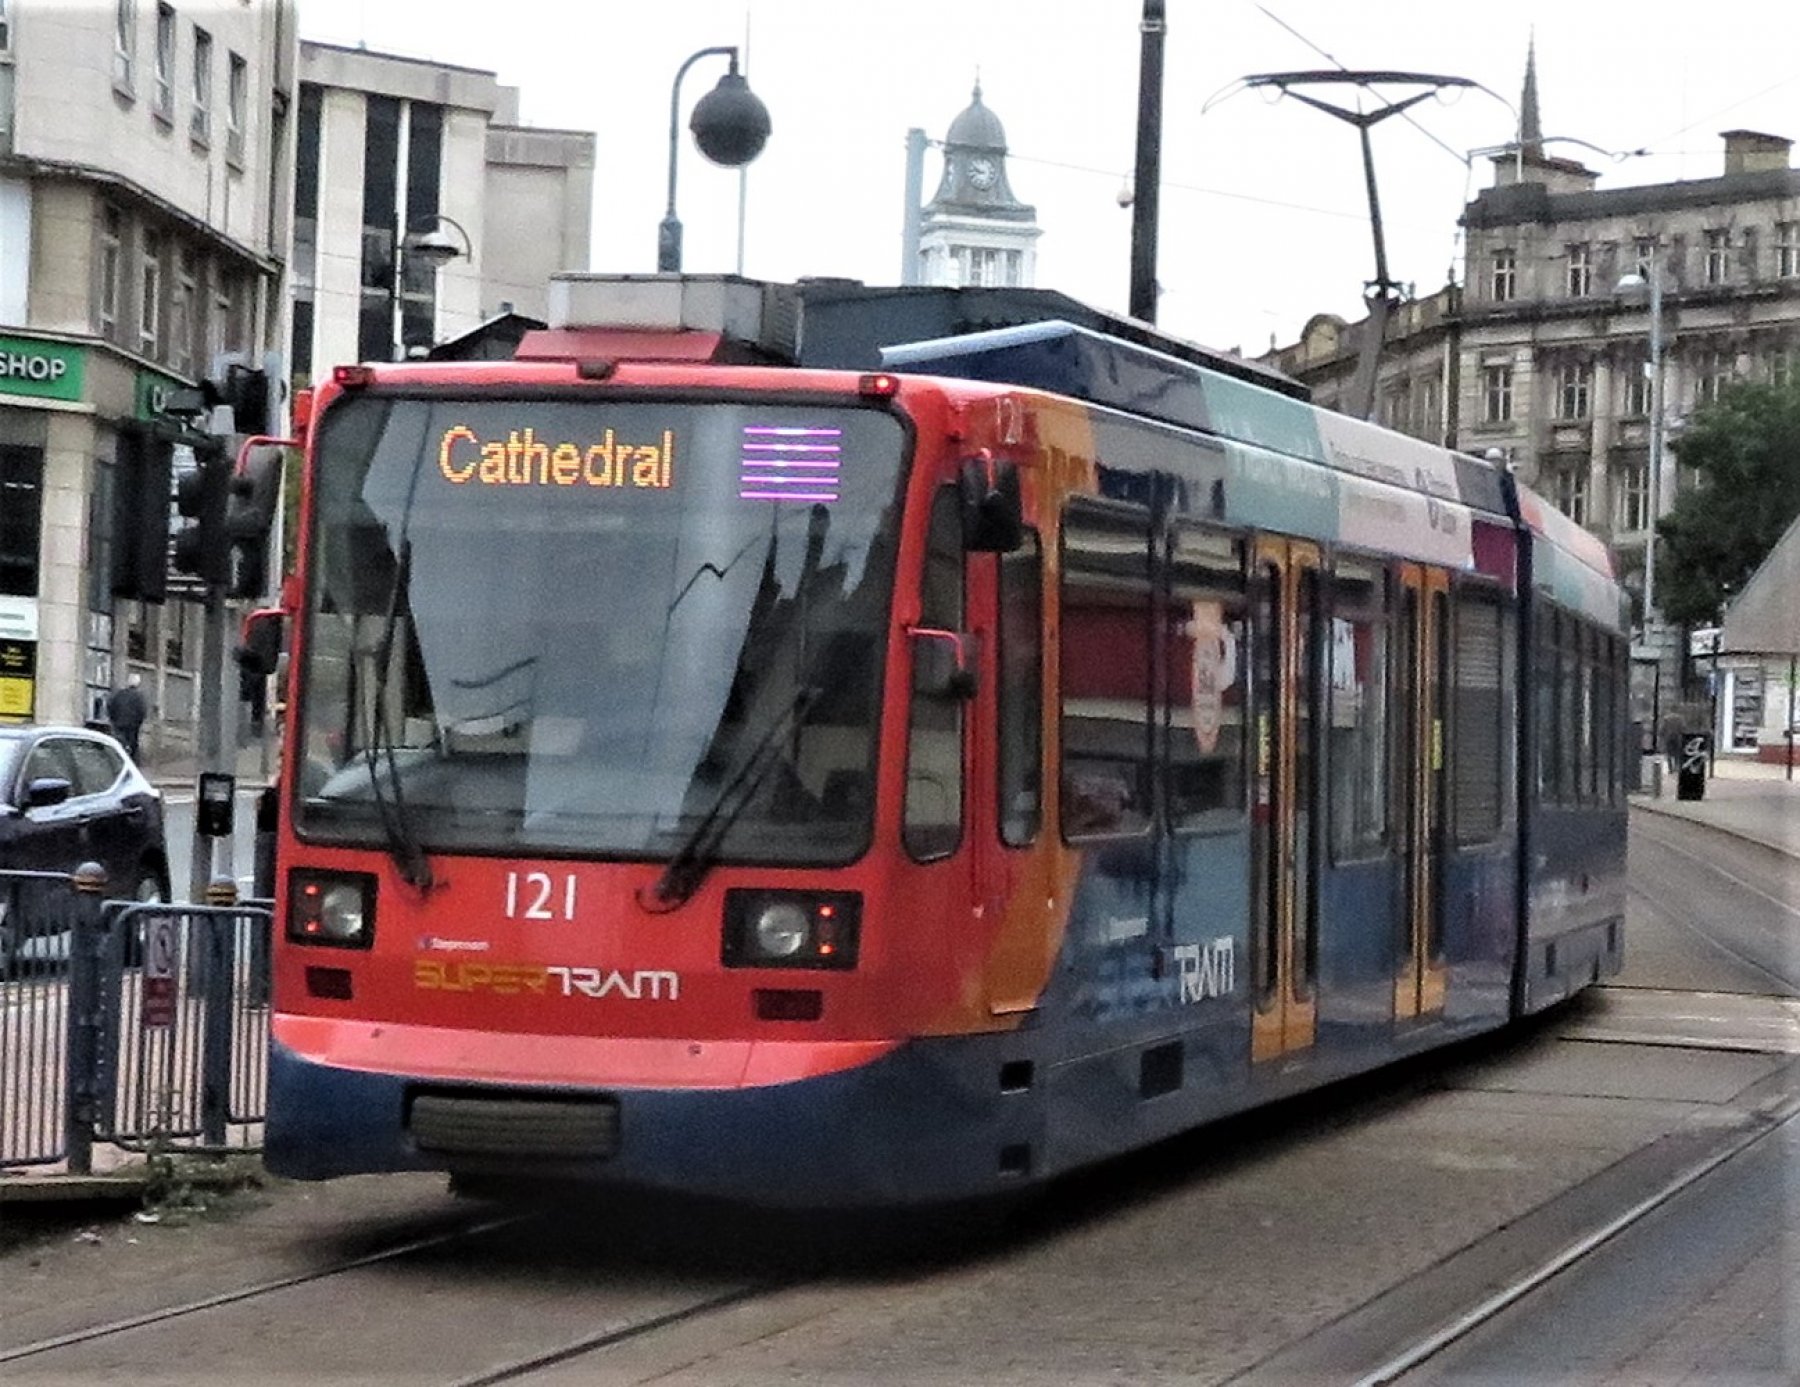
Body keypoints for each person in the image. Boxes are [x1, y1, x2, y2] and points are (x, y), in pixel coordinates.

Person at [106, 673, 149, 762]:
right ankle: (131, 763)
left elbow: (110, 706)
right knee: (132, 745)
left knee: (119, 743)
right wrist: (138, 723)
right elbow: (142, 711)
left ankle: (118, 761)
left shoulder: (119, 694)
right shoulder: (139, 696)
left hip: (119, 724)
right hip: (132, 726)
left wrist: (113, 719)